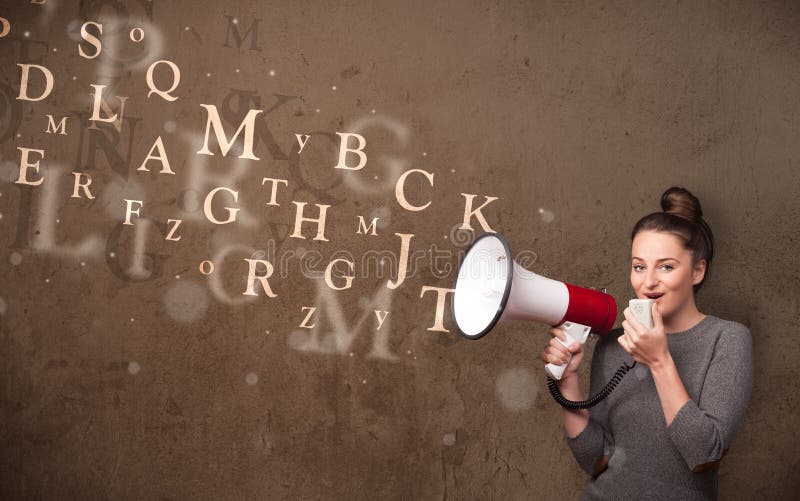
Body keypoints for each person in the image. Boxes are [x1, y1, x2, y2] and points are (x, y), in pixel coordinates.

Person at [541, 186, 754, 500]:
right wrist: (569, 382)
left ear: (697, 270)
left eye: (666, 266)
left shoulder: (728, 340)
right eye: (639, 266)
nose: (648, 281)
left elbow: (704, 456)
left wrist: (659, 361)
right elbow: (596, 461)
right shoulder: (614, 344)